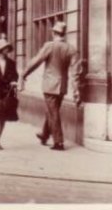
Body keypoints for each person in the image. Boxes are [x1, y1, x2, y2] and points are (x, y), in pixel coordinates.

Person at [20, 21, 81, 151]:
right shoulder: (71, 49)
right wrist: (76, 90)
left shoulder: (49, 46)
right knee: (52, 111)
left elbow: (36, 61)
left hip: (49, 86)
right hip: (62, 86)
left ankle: (58, 142)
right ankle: (44, 134)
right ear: (64, 33)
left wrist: (24, 74)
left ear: (54, 33)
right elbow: (75, 72)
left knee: (53, 113)